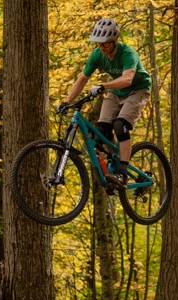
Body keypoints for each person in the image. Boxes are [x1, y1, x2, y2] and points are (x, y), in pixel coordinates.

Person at [59, 17, 153, 187]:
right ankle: (114, 164)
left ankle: (123, 174)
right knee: (101, 131)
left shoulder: (128, 53)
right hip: (116, 92)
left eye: (106, 44)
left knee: (120, 125)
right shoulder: (97, 55)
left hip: (137, 90)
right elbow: (82, 78)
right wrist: (67, 101)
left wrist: (103, 85)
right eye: (98, 43)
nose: (101, 47)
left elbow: (127, 79)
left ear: (115, 40)